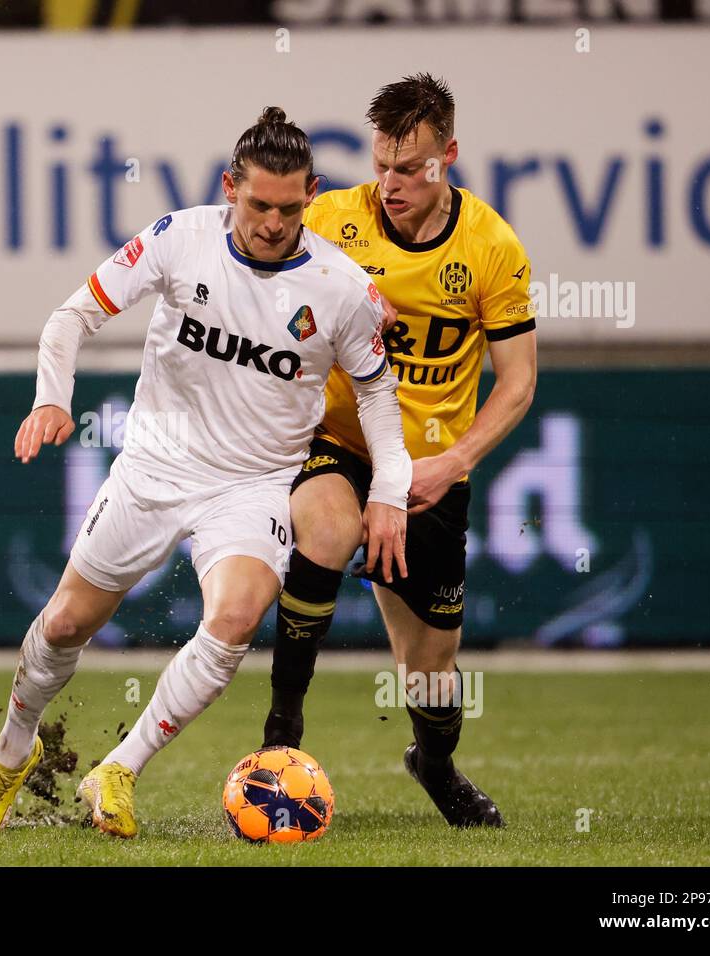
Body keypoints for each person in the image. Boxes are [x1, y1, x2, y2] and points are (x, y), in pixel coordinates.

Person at [0, 108, 411, 838]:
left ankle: (119, 769)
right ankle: (11, 755)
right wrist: (51, 398)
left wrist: (389, 491)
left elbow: (378, 396)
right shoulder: (179, 238)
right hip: (156, 464)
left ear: (312, 194)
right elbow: (72, 317)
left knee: (234, 618)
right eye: (259, 205)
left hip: (254, 484)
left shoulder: (342, 288)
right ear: (231, 187)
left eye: (290, 208)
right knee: (67, 623)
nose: (273, 223)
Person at [263, 74, 538, 828]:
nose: (391, 184)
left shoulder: (492, 247)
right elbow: (265, 300)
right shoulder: (329, 221)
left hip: (429, 470)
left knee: (430, 668)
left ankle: (435, 763)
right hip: (340, 438)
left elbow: (518, 383)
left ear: (449, 156)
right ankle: (281, 733)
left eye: (411, 168)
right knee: (327, 530)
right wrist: (330, 306)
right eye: (381, 165)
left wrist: (455, 462)